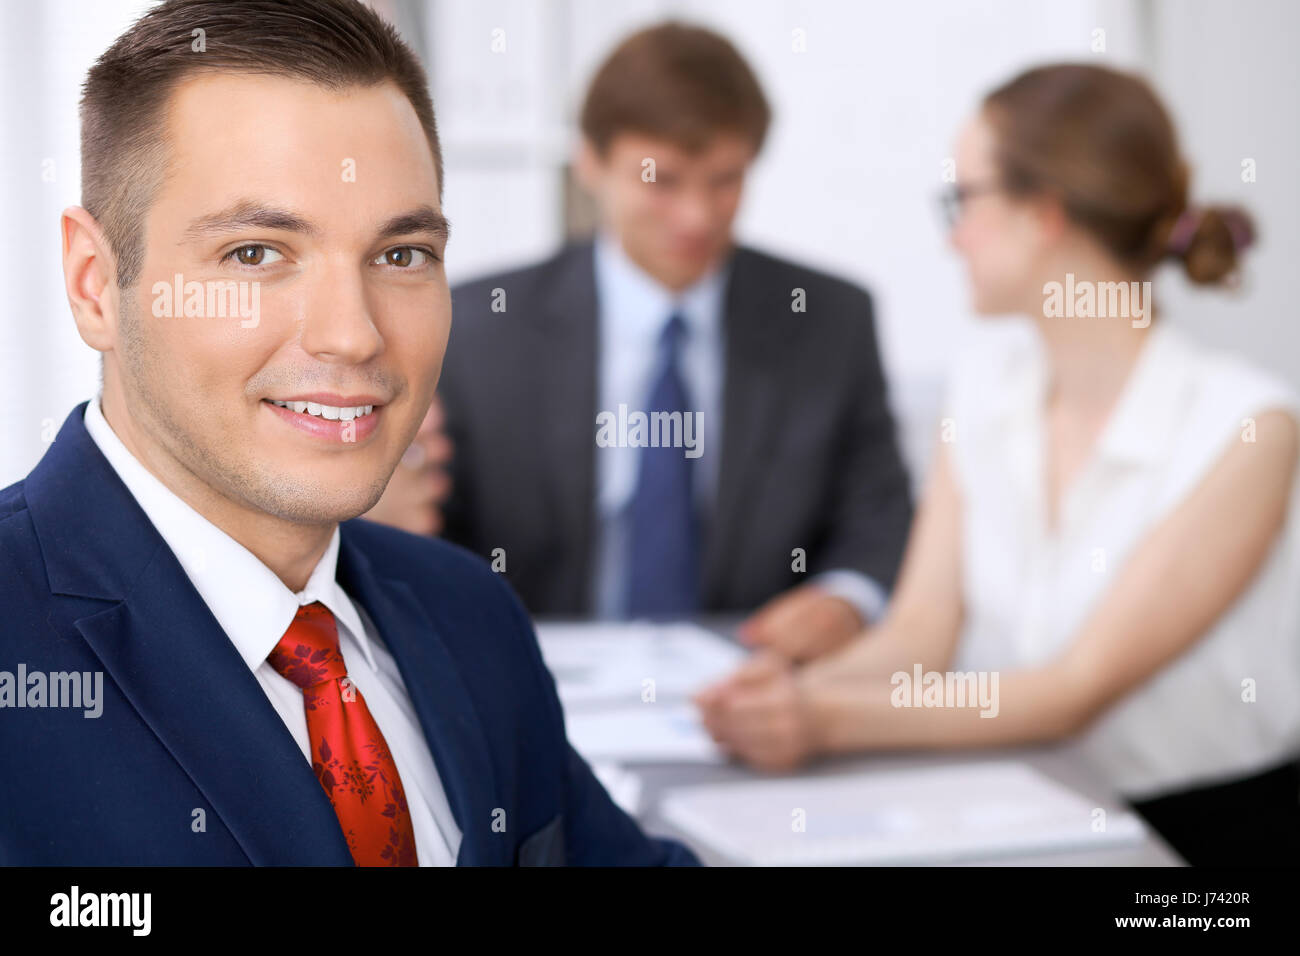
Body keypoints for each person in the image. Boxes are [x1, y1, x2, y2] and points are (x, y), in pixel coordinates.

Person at [0, 0, 696, 867]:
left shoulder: (469, 614)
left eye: (400, 255)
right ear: (97, 284)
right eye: (256, 253)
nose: (353, 335)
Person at [695, 63, 1300, 866]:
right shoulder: (985, 385)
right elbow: (918, 634)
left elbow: (1071, 691)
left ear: (1043, 212)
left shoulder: (1248, 426)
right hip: (1011, 812)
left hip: (1200, 844)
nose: (952, 235)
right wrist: (774, 689)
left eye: (965, 200)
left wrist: (821, 717)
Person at [434, 22, 914, 660]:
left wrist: (846, 599)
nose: (698, 216)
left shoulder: (830, 320)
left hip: (754, 684)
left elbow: (877, 514)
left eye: (725, 179)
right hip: (530, 679)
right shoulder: (478, 325)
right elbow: (434, 531)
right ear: (591, 163)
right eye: (663, 181)